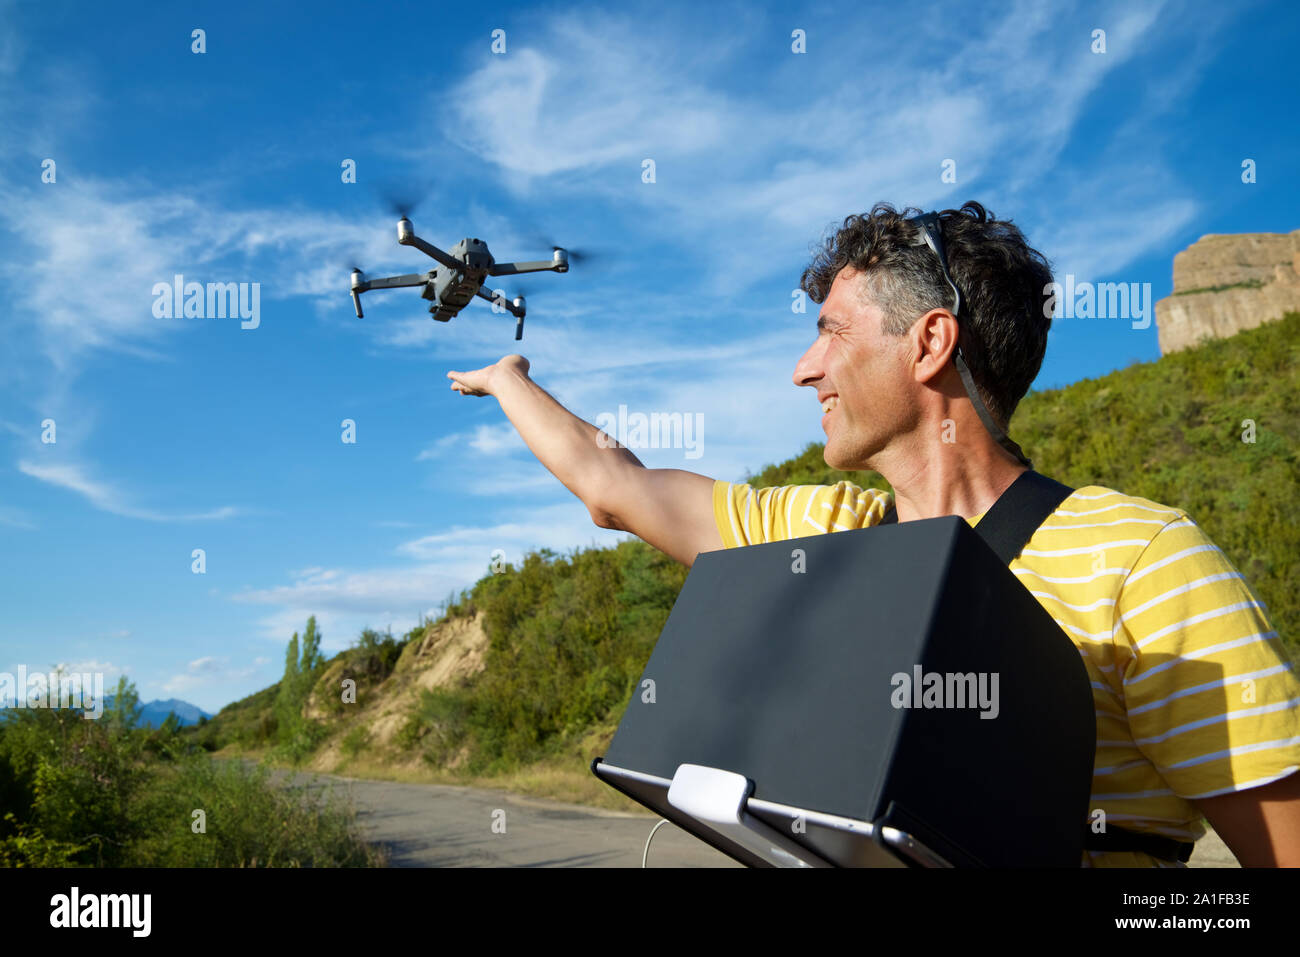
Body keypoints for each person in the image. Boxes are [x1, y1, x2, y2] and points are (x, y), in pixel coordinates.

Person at [447, 201, 1300, 868]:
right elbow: (614, 487)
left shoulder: (1147, 563)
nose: (803, 367)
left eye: (830, 330)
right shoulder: (823, 532)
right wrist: (509, 381)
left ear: (930, 343)